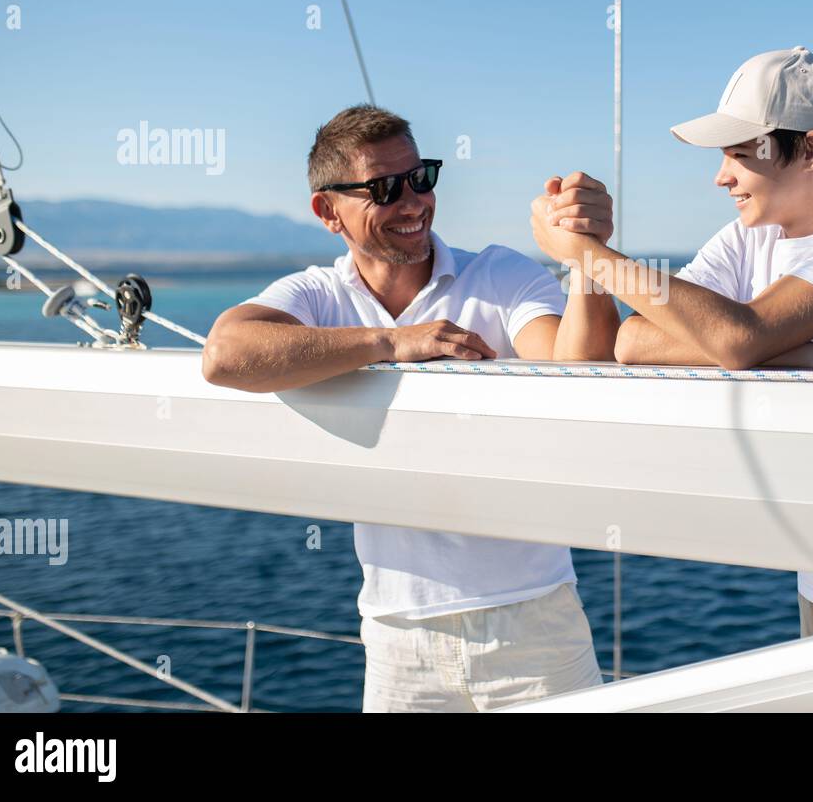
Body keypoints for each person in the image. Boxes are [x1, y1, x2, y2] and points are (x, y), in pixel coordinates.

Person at [529, 46, 813, 712]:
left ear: (810, 150)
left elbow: (736, 337)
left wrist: (587, 254)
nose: (720, 178)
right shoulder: (747, 240)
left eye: (737, 153)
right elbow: (631, 342)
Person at [202, 104, 620, 712]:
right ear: (327, 211)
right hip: (398, 637)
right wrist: (393, 342)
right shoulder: (318, 294)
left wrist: (587, 257)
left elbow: (574, 367)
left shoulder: (499, 275)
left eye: (420, 178)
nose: (413, 202)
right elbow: (225, 354)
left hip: (534, 620)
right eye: (383, 188)